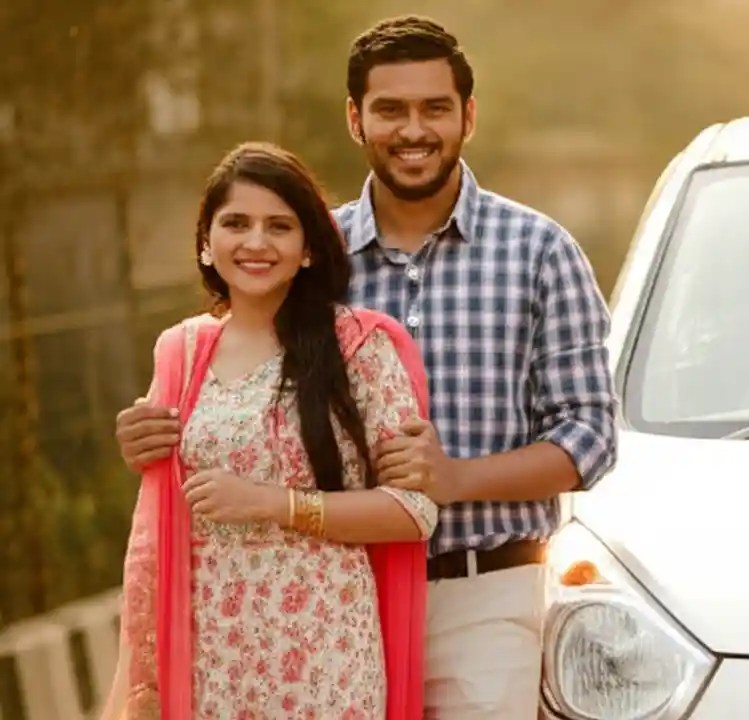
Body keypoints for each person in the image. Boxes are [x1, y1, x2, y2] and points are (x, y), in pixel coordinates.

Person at [114, 14, 619, 718]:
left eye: (434, 108)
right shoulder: (306, 249)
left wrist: (455, 479)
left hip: (481, 588)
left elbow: (589, 437)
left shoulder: (539, 251)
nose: (414, 130)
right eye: (390, 110)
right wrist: (152, 431)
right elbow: (230, 369)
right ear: (356, 120)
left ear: (467, 116)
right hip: (331, 593)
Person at [102, 141, 434, 719]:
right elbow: (157, 516)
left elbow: (414, 512)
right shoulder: (179, 352)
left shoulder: (358, 348)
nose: (256, 242)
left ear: (307, 248)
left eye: (279, 226)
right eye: (236, 223)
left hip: (326, 653)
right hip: (211, 655)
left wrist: (273, 504)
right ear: (207, 242)